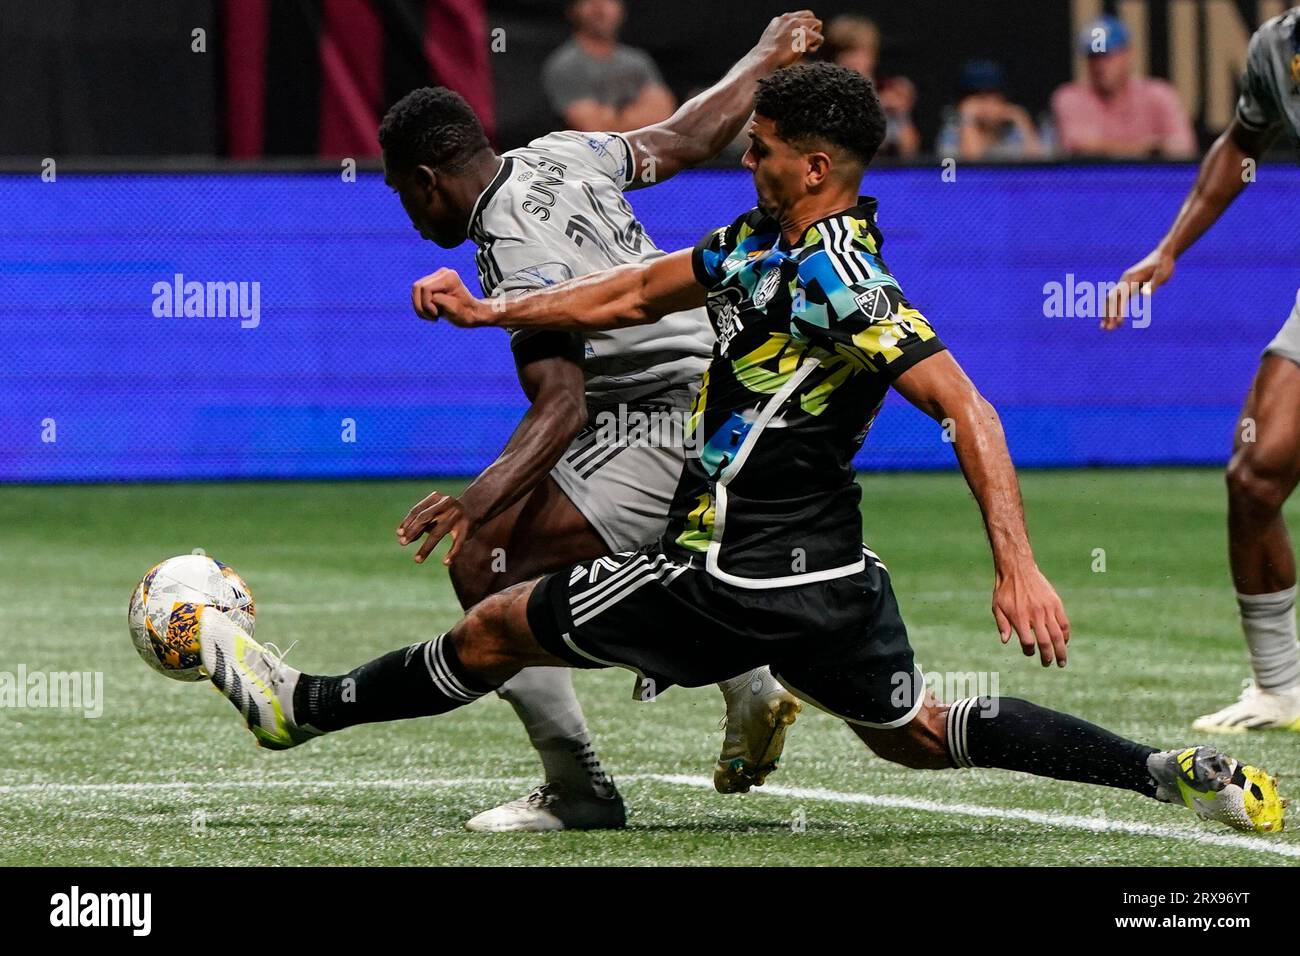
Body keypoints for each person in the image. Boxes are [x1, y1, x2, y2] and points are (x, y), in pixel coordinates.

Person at [200, 62, 1284, 836]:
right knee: (912, 731)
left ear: (814, 167)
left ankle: (304, 708)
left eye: (760, 151)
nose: (745, 158)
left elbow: (969, 407)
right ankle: (1164, 771)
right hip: (831, 578)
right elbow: (628, 288)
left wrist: (1018, 561)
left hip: (724, 571)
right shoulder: (759, 240)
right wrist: (490, 315)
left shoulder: (847, 282)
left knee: (489, 616)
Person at [371, 12, 823, 833]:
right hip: (719, 395)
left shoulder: (505, 243)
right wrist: (763, 53)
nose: (409, 215)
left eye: (404, 192)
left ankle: (593, 774)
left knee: (485, 561)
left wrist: (472, 502)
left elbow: (561, 405)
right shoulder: (557, 152)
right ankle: (730, 662)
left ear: (429, 179)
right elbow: (688, 136)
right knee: (546, 541)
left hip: (663, 419)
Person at [1105, 8, 1300, 732]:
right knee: (1256, 473)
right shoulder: (1276, 47)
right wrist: (1170, 246)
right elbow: (1240, 145)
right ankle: (1280, 686)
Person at [1051, 14, 1195, 159]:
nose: (1100, 66)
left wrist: (1105, 147)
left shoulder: (1158, 94)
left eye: (1107, 56)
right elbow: (1079, 146)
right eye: (1094, 57)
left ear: (1128, 54)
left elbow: (1182, 147)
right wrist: (1148, 148)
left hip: (1150, 179)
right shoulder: (1070, 97)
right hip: (1096, 180)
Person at [542, 0, 675, 133]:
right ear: (573, 11)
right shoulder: (566, 65)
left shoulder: (638, 60)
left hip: (642, 151)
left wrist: (613, 117)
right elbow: (594, 129)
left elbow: (665, 115)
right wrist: (639, 114)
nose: (600, 8)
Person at [823, 14, 919, 159]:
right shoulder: (824, 92)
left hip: (887, 174)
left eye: (860, 52)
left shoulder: (891, 89)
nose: (854, 60)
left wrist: (901, 114)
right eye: (846, 52)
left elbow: (910, 152)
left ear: (873, 54)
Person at [936, 60, 1043, 161]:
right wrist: (968, 118)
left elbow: (1040, 170)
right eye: (979, 96)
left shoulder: (1014, 127)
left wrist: (1022, 121)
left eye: (992, 94)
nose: (987, 103)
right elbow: (971, 167)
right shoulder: (954, 128)